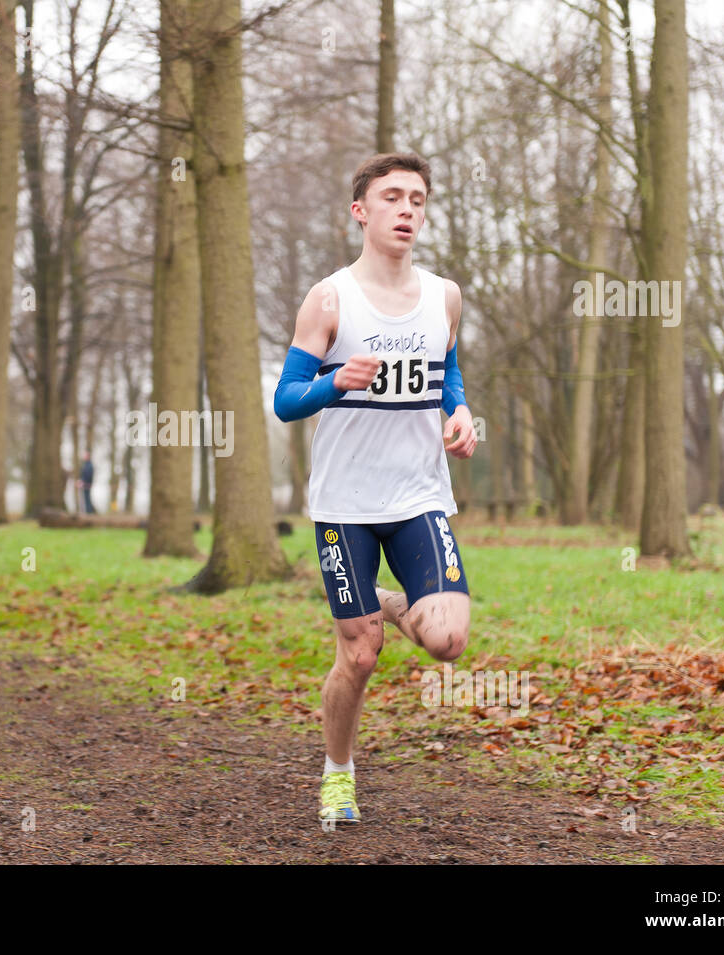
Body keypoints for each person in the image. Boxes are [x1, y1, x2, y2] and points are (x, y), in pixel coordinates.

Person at [273, 151, 478, 826]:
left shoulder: (443, 296)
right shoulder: (331, 299)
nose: (407, 210)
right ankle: (338, 773)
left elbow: (447, 372)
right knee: (359, 654)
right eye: (393, 197)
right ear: (361, 211)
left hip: (419, 493)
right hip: (344, 506)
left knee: (448, 639)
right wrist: (335, 381)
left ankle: (390, 602)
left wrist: (459, 411)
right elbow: (285, 400)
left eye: (417, 199)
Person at [77, 450, 95, 514]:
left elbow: (89, 475)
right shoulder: (85, 465)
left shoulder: (89, 465)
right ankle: (87, 512)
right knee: (85, 499)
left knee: (87, 499)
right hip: (84, 484)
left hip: (87, 484)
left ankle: (89, 513)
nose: (84, 457)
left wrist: (83, 482)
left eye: (85, 456)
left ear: (88, 456)